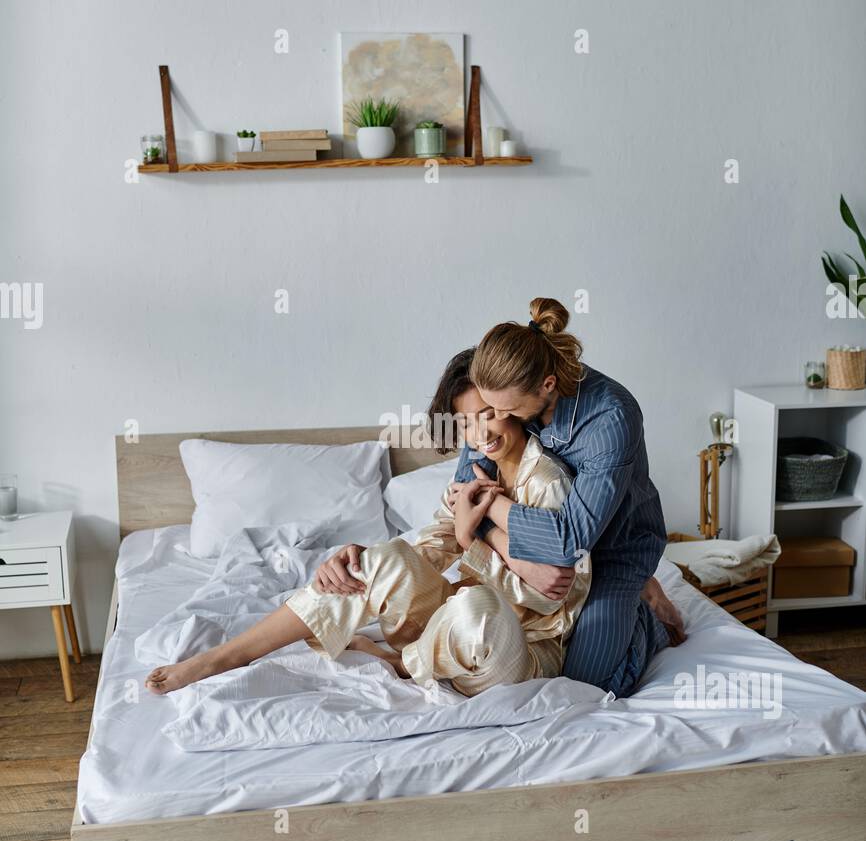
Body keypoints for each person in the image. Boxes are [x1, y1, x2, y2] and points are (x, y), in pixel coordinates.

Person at [145, 348, 591, 699]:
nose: (481, 434)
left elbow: (554, 597)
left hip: (516, 647)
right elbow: (433, 545)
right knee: (379, 563)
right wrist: (370, 563)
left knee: (477, 611)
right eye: (466, 423)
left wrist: (471, 540)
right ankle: (227, 657)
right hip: (449, 629)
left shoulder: (546, 480)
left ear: (510, 405)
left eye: (489, 414)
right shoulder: (477, 471)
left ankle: (397, 662)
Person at [445, 297, 684, 697]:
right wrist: (511, 552)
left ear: (547, 386)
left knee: (581, 687)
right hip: (536, 550)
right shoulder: (504, 393)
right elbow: (463, 490)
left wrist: (490, 509)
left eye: (504, 410)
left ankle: (645, 618)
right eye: (486, 409)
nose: (493, 423)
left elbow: (568, 541)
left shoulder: (611, 418)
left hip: (612, 551)